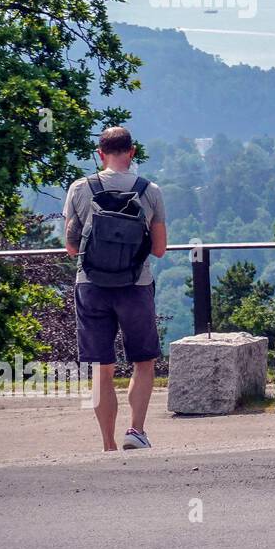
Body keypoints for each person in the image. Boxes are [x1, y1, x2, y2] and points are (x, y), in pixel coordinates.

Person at [63, 127, 167, 451]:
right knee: (143, 361)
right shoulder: (150, 191)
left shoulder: (80, 188)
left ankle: (108, 445)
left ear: (100, 154)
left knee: (101, 368)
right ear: (131, 152)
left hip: (91, 286)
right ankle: (136, 431)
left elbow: (71, 247)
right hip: (135, 286)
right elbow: (159, 249)